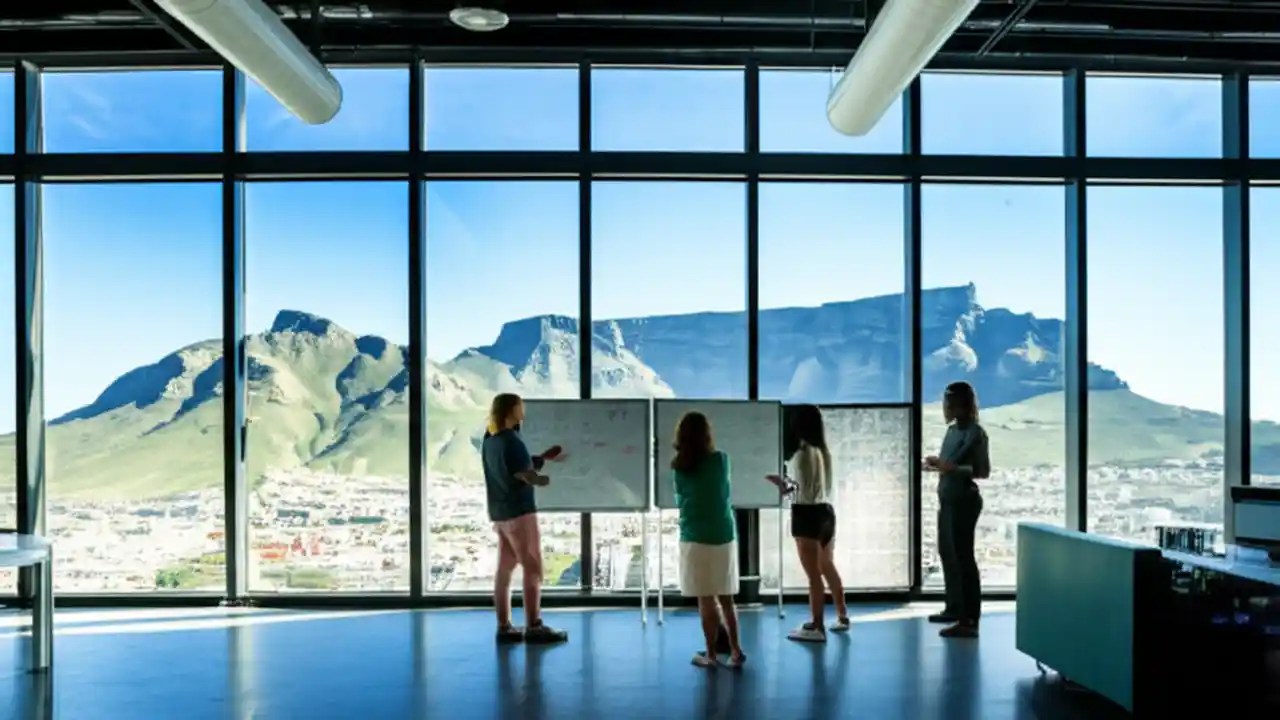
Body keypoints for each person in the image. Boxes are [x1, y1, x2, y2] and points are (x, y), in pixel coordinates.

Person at [483, 392, 568, 644]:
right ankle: (534, 626)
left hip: (500, 514)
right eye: (521, 407)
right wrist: (541, 480)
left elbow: (514, 467)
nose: (524, 411)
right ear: (512, 411)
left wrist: (543, 459)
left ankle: (504, 626)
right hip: (520, 512)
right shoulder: (513, 440)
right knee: (532, 567)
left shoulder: (490, 440)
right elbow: (523, 474)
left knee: (505, 569)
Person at [767, 404, 850, 643]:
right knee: (827, 566)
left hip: (807, 514)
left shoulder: (802, 454)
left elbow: (799, 491)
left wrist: (781, 484)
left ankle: (817, 627)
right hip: (826, 512)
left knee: (813, 575)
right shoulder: (823, 452)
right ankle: (842, 616)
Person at [672, 411, 747, 669]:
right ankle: (735, 651)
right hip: (723, 534)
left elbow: (681, 500)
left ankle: (712, 655)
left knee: (705, 599)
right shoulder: (721, 460)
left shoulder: (679, 467)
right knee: (726, 598)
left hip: (695, 537)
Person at [924, 381, 990, 639]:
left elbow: (982, 471)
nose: (946, 407)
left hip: (964, 501)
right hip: (948, 499)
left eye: (950, 403)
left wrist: (952, 468)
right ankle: (954, 607)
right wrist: (937, 465)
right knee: (947, 554)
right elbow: (948, 464)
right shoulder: (952, 431)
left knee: (963, 559)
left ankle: (969, 619)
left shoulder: (976, 433)